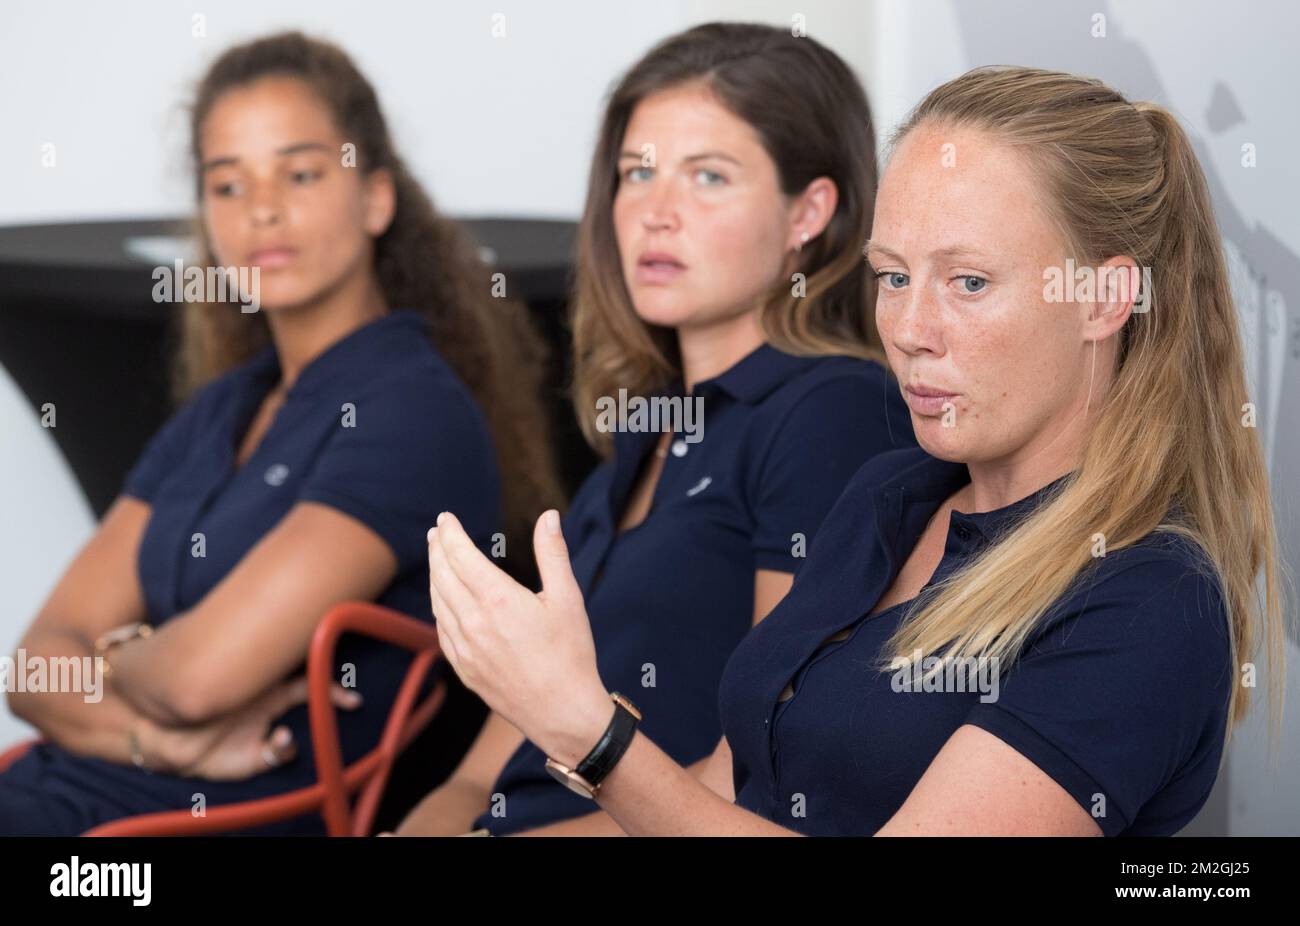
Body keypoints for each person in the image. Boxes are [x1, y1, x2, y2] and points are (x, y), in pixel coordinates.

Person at [424, 65, 1285, 836]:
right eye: (894, 276)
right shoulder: (893, 495)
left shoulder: (1149, 600)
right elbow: (727, 787)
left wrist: (592, 733)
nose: (909, 331)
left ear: (1105, 298)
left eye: (970, 282)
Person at [0, 32, 561, 835]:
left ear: (375, 197)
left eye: (299, 172)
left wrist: (114, 650)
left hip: (171, 834)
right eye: (227, 184)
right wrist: (154, 736)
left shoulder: (410, 414)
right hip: (74, 797)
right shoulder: (227, 406)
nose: (260, 207)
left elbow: (197, 680)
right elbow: (29, 669)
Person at [397, 23, 913, 836]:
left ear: (809, 211)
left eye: (708, 176)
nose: (655, 213)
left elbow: (760, 774)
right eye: (637, 172)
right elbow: (477, 775)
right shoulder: (645, 432)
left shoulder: (831, 411)